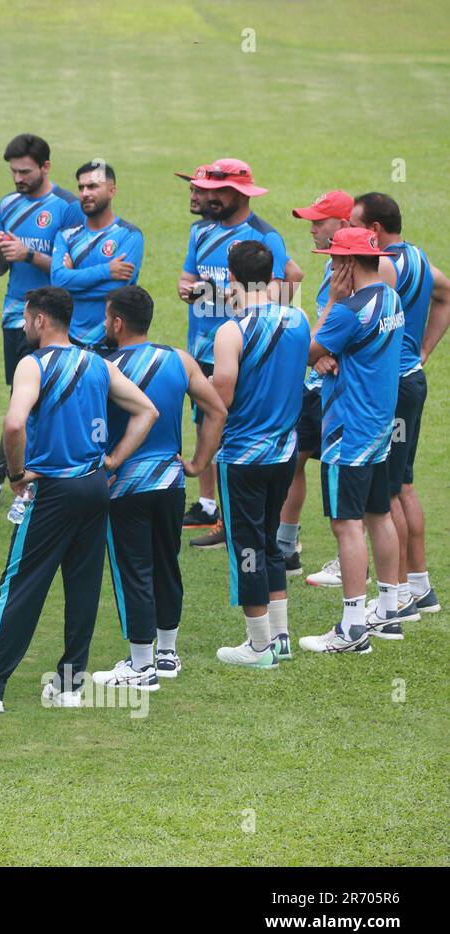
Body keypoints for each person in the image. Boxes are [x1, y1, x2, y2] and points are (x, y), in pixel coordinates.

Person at [0, 286, 157, 708]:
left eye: (25, 318)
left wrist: (16, 474)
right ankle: (70, 686)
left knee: (19, 586)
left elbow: (14, 424)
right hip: (94, 488)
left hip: (52, 491)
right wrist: (110, 462)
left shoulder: (32, 365)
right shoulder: (97, 363)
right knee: (83, 586)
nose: (23, 326)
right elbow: (148, 410)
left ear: (39, 319)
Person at [92, 286, 225, 688]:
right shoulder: (179, 360)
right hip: (170, 484)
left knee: (134, 568)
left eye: (106, 317)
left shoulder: (105, 369)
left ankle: (140, 665)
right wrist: (199, 463)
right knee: (166, 565)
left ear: (117, 322)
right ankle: (167, 654)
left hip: (124, 485)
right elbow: (216, 410)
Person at [175, 159, 297, 549]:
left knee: (234, 422)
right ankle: (209, 505)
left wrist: (213, 294)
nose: (207, 197)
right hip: (203, 347)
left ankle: (239, 520)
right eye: (207, 190)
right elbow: (185, 279)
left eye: (217, 192)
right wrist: (197, 289)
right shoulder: (200, 231)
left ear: (239, 194)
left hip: (244, 347)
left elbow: (279, 292)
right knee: (206, 421)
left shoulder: (264, 236)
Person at [0, 133, 84, 511]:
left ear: (46, 166)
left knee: (36, 399)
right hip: (16, 315)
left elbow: (73, 268)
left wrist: (29, 254)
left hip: (54, 317)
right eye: (13, 171)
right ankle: (19, 479)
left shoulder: (67, 207)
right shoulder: (8, 204)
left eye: (25, 171)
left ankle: (0, 481)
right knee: (21, 395)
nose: (18, 178)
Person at [300, 229, 403, 653]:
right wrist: (330, 353)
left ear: (345, 264)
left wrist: (331, 308)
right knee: (379, 513)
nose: (328, 265)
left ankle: (353, 629)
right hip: (379, 425)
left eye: (332, 259)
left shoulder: (348, 309)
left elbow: (307, 350)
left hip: (348, 432)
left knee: (346, 525)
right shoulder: (389, 298)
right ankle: (390, 610)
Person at [208, 242, 311, 668]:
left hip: (244, 456)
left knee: (247, 547)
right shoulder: (300, 319)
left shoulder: (231, 331)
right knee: (269, 543)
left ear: (231, 278)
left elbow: (223, 394)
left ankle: (258, 646)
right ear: (272, 277)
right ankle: (281, 638)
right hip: (285, 451)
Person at [349, 192, 449, 619]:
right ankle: (420, 586)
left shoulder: (386, 266)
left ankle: (404, 591)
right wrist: (424, 349)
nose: (347, 232)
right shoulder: (419, 259)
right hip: (410, 381)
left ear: (373, 231)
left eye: (354, 225)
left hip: (392, 388)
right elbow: (445, 294)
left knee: (388, 491)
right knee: (402, 485)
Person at [282, 190, 354, 579]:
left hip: (334, 386)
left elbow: (353, 322)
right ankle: (287, 547)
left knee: (341, 471)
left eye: (318, 222)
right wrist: (317, 352)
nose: (311, 229)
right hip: (316, 381)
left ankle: (348, 563)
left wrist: (323, 352)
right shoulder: (333, 264)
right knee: (296, 459)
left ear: (343, 225)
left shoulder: (351, 267)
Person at [50, 161, 144, 351]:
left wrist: (72, 282)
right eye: (81, 187)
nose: (85, 193)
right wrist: (106, 270)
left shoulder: (129, 235)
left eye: (92, 186)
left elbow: (117, 291)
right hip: (70, 340)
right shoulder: (66, 235)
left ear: (112, 191)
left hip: (111, 343)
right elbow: (58, 281)